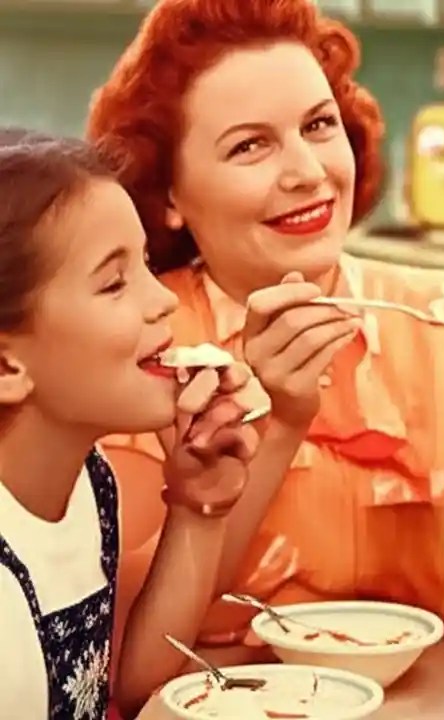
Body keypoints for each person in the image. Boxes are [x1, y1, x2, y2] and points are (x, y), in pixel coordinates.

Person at [87, 0, 444, 652]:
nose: (308, 173)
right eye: (250, 145)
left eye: (319, 125)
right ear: (168, 196)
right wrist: (279, 425)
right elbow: (131, 645)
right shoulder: (137, 344)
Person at [0, 129, 256, 718]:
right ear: (6, 363)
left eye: (143, 263)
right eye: (114, 283)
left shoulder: (91, 481)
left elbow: (131, 683)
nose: (161, 300)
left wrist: (199, 504)